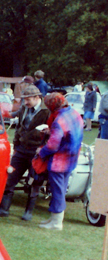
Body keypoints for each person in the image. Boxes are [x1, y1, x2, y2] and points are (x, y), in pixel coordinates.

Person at [0, 85, 50, 219]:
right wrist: (16, 144)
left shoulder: (47, 112)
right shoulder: (24, 108)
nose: (25, 102)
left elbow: (51, 132)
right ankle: (3, 209)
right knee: (10, 178)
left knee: (34, 181)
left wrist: (43, 147)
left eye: (28, 99)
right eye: (24, 100)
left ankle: (28, 212)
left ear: (37, 98)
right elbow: (19, 128)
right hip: (22, 150)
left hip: (36, 151)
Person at [35, 93, 83, 230]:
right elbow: (71, 133)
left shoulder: (58, 120)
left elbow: (52, 145)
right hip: (72, 158)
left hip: (59, 161)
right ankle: (54, 219)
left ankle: (56, 223)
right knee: (61, 189)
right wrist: (52, 132)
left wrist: (41, 152)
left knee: (58, 191)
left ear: (52, 105)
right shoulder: (74, 113)